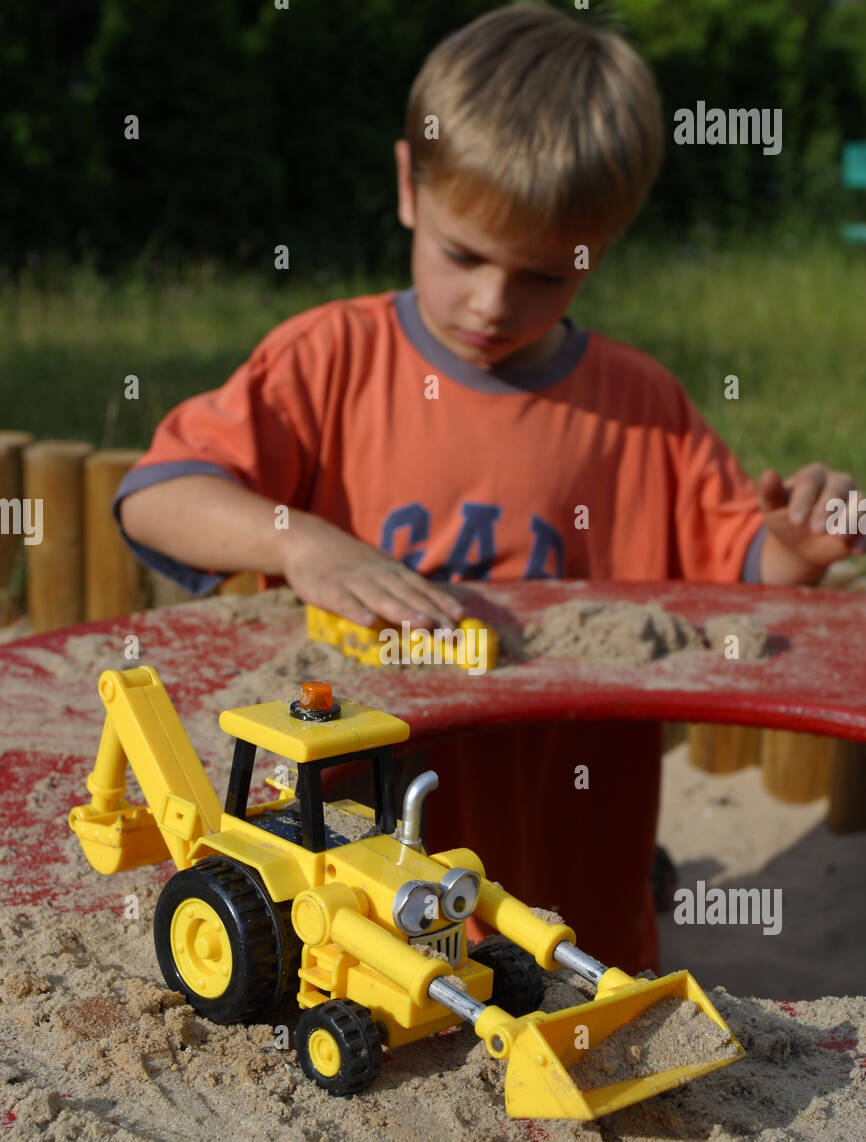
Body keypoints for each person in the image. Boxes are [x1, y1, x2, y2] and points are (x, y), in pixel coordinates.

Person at [113, 4, 861, 974]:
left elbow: (739, 572)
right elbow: (157, 494)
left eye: (545, 276)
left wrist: (800, 544)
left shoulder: (638, 405)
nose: (491, 305)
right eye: (463, 256)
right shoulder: (330, 360)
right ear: (408, 187)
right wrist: (301, 538)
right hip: (361, 878)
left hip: (572, 874)